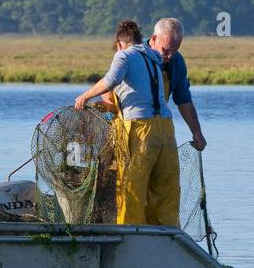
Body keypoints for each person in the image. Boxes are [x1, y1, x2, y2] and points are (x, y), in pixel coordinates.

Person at [73, 19, 179, 227]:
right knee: (166, 192)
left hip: (140, 130)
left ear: (120, 44)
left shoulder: (124, 55)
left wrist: (85, 96)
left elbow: (111, 80)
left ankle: (130, 239)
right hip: (166, 130)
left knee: (131, 191)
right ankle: (167, 238)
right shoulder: (154, 57)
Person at [148, 17, 206, 151]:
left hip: (160, 125)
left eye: (174, 51)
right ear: (153, 39)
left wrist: (197, 132)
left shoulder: (177, 61)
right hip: (131, 125)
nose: (169, 56)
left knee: (169, 170)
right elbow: (111, 85)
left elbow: (184, 101)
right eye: (166, 50)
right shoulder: (134, 55)